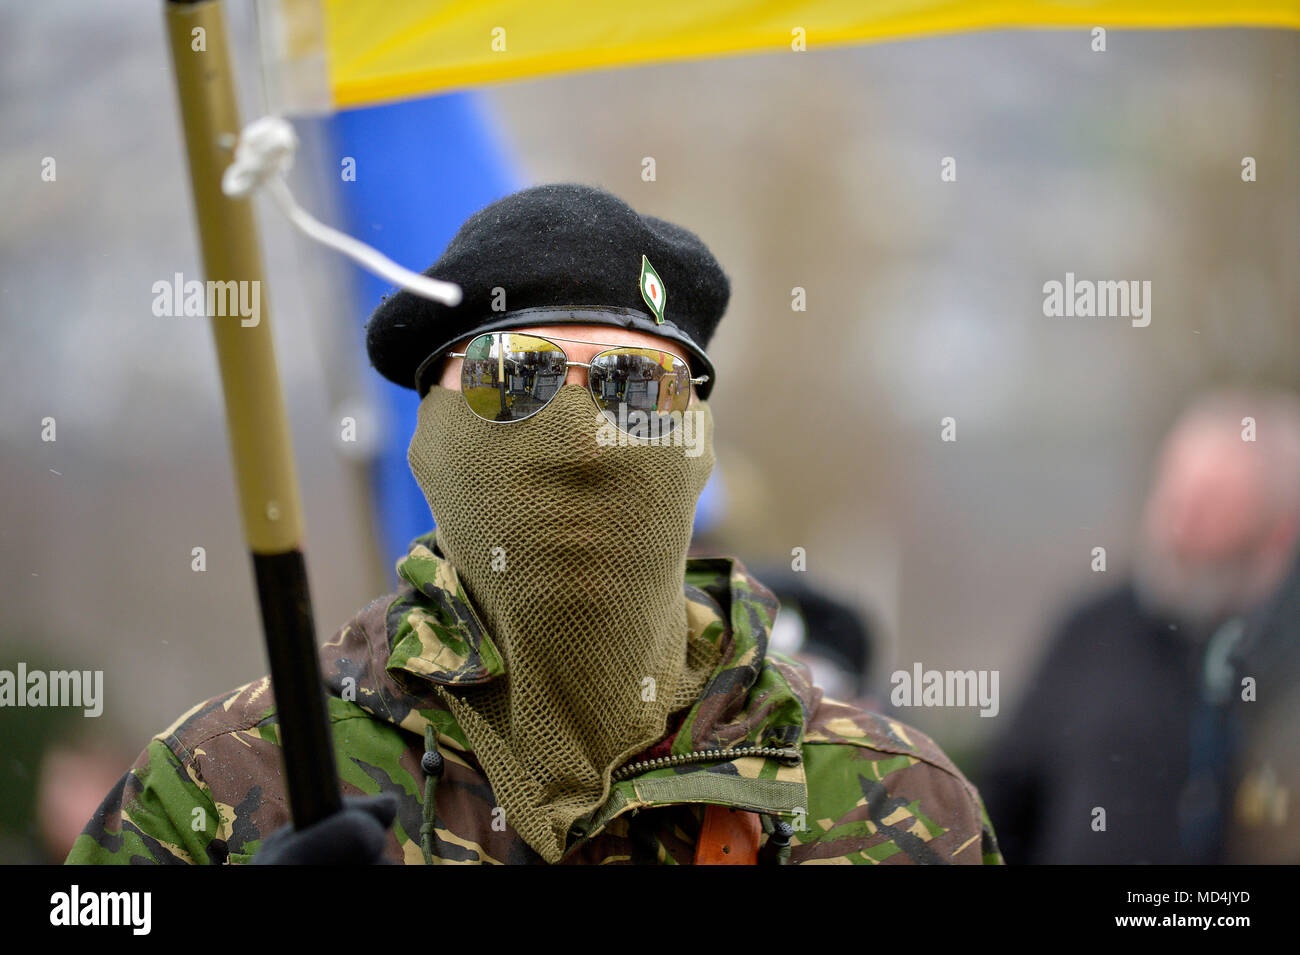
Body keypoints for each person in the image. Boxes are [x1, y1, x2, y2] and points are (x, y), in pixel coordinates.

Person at [67, 183, 1001, 865]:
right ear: (431, 432)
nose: (585, 438)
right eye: (518, 376)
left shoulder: (893, 802)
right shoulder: (226, 784)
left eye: (641, 387)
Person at [979, 391, 1300, 864]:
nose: (1181, 521)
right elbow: (1003, 805)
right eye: (1175, 490)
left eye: (1213, 501)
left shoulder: (1283, 663)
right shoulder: (1090, 635)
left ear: (1280, 528)